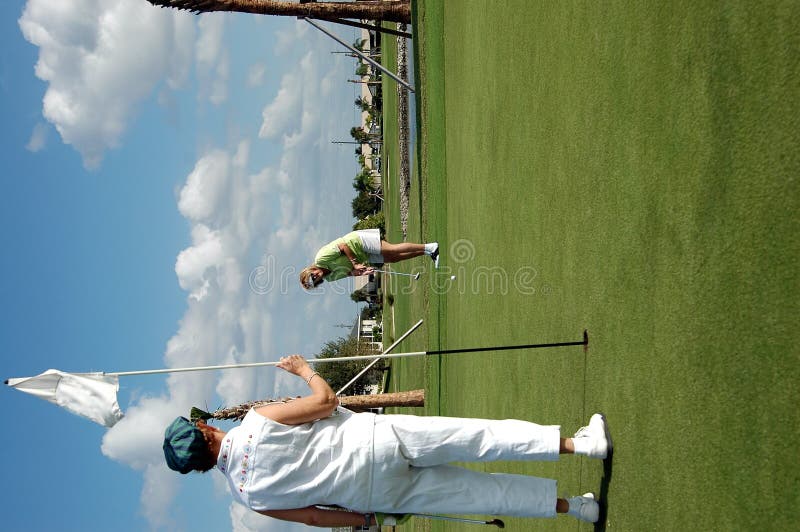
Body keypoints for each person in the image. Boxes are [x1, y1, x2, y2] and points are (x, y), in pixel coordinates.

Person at [163, 355, 611, 528]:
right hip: (373, 441)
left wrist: (365, 523)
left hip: (373, 493)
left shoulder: (245, 496)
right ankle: (583, 446)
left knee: (479, 493)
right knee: (479, 437)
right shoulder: (256, 422)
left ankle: (579, 508)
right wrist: (303, 371)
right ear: (204, 430)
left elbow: (316, 518)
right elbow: (325, 401)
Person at [299, 229, 439, 290]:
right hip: (362, 256)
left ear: (311, 270)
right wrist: (361, 272)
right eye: (314, 281)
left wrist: (355, 263)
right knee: (393, 259)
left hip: (358, 241)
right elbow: (348, 273)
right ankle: (428, 253)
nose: (315, 277)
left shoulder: (321, 258)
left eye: (312, 275)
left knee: (392, 249)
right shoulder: (329, 278)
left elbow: (342, 246)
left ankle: (430, 247)